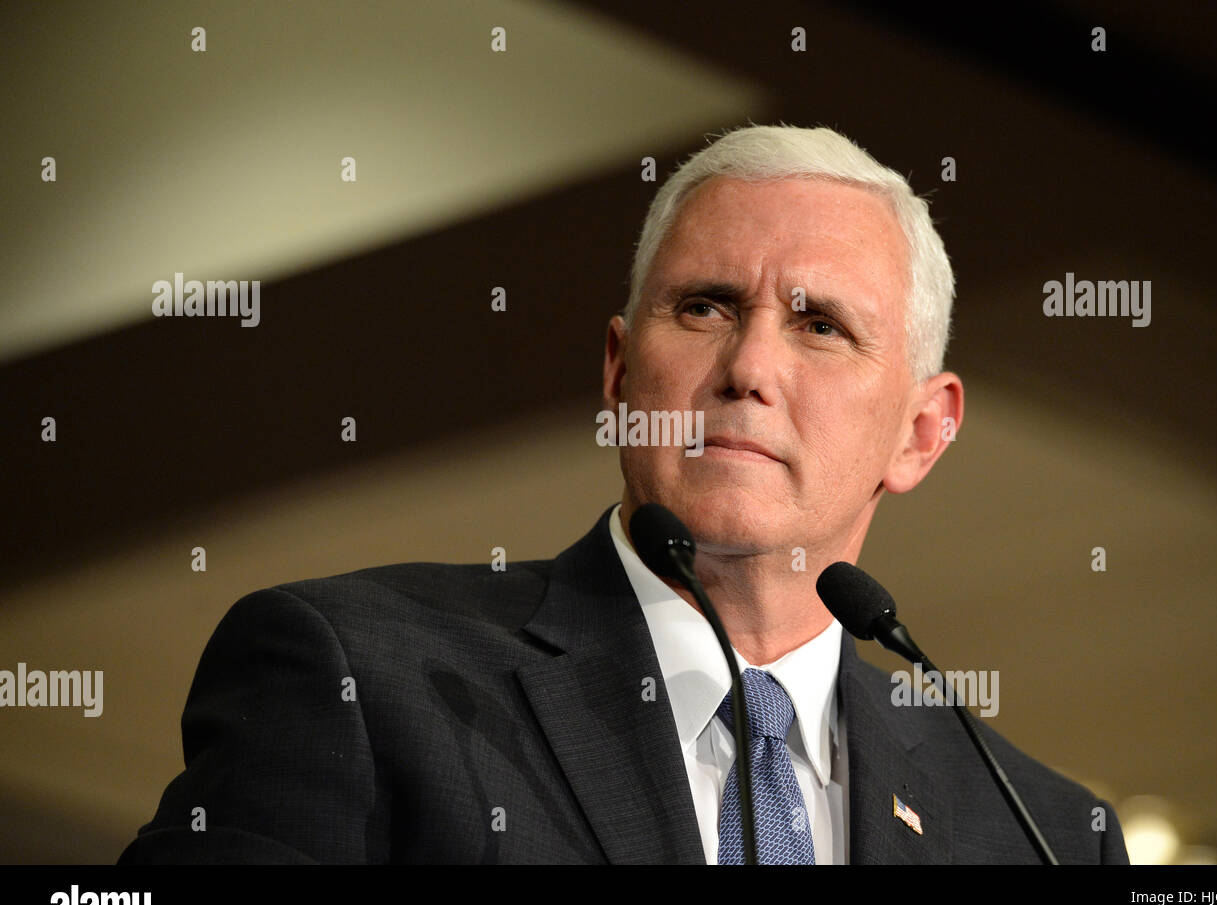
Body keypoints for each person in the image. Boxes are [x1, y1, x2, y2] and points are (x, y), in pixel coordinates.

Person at [120, 123, 1128, 864]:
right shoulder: (356, 676)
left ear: (919, 431)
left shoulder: (1042, 834)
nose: (749, 367)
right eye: (704, 306)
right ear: (617, 373)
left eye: (820, 325)